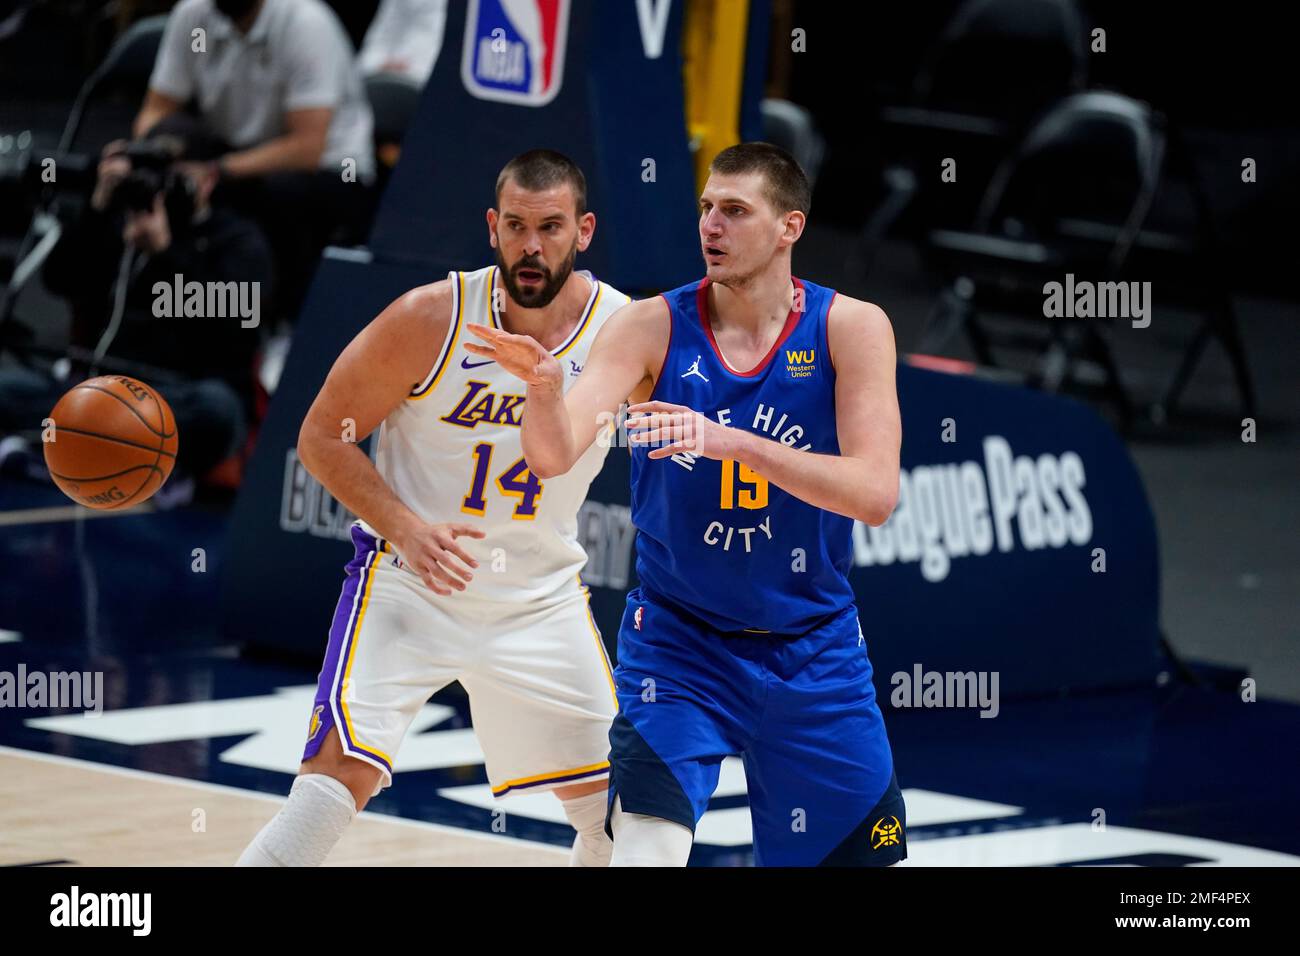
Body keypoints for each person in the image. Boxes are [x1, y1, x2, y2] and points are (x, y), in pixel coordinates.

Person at [466, 142, 907, 866]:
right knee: (646, 851)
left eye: (735, 210)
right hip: (680, 646)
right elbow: (552, 453)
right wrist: (543, 389)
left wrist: (729, 442)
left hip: (814, 650)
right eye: (706, 208)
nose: (711, 225)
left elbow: (875, 493)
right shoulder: (651, 325)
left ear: (789, 226)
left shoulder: (850, 329)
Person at [236, 150, 631, 867]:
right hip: (409, 585)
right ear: (492, 226)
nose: (531, 246)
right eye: (516, 226)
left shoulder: (624, 330)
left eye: (550, 227)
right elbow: (322, 436)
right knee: (326, 794)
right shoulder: (431, 317)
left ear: (585, 230)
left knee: (620, 821)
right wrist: (405, 529)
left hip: (537, 599)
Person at [0, 115, 272, 493]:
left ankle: (63, 448)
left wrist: (165, 254)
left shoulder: (237, 240)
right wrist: (97, 209)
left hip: (179, 393)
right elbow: (59, 281)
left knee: (217, 410)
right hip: (99, 389)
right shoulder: (118, 224)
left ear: (208, 179)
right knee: (7, 389)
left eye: (173, 174)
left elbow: (233, 326)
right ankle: (110, 452)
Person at [136, 0, 377, 315]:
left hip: (332, 167)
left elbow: (307, 147)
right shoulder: (192, 15)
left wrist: (214, 170)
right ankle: (159, 304)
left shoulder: (306, 23)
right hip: (240, 154)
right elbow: (156, 111)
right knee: (166, 142)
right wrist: (149, 153)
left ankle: (281, 318)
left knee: (280, 190)